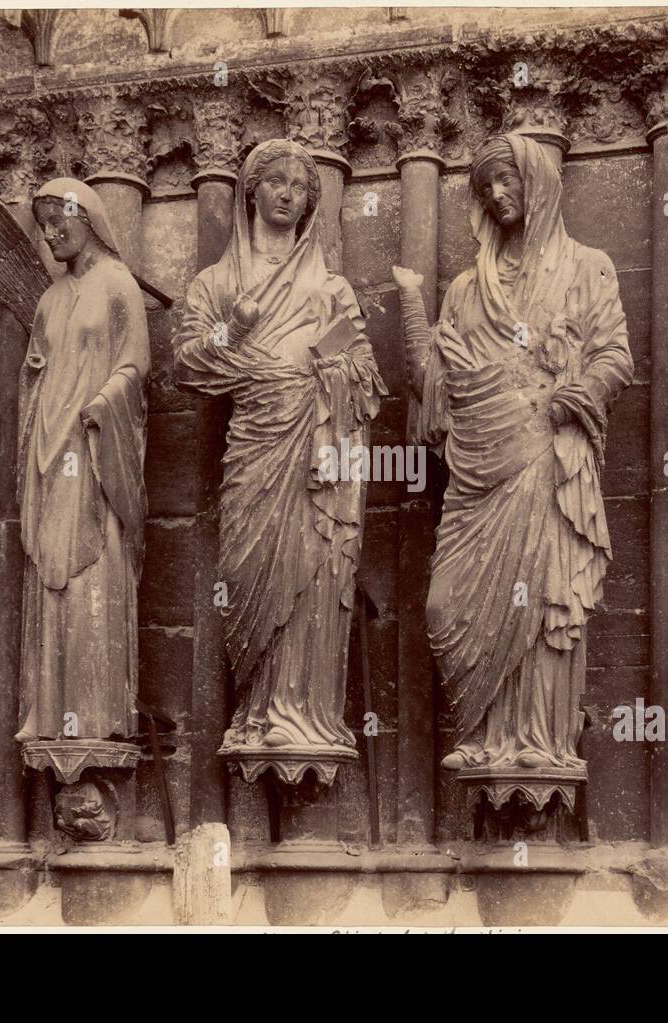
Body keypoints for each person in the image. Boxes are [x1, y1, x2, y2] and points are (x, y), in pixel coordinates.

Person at [397, 132, 632, 771]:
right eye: (487, 186)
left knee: (543, 595)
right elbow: (437, 393)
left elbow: (615, 353)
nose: (499, 194)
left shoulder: (588, 267)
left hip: (545, 458)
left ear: (540, 183)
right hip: (478, 470)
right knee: (446, 605)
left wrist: (579, 389)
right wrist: (417, 330)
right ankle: (481, 729)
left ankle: (538, 742)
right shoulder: (465, 292)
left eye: (510, 180)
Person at [175, 139, 385, 752]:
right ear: (250, 190)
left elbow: (369, 379)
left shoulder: (331, 289)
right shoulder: (216, 282)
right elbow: (187, 364)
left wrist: (330, 372)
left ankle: (306, 714)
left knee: (316, 568)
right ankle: (258, 711)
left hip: (319, 448)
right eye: (275, 181)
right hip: (255, 451)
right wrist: (232, 328)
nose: (287, 193)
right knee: (248, 569)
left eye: (299, 186)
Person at [16, 178, 149, 742]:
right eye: (43, 225)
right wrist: (39, 408)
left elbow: (137, 364)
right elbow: (33, 372)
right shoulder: (49, 298)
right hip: (51, 448)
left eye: (59, 221)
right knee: (51, 581)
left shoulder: (118, 284)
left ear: (89, 219)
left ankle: (98, 714)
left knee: (95, 572)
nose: (50, 234)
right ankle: (48, 713)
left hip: (96, 448)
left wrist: (104, 403)